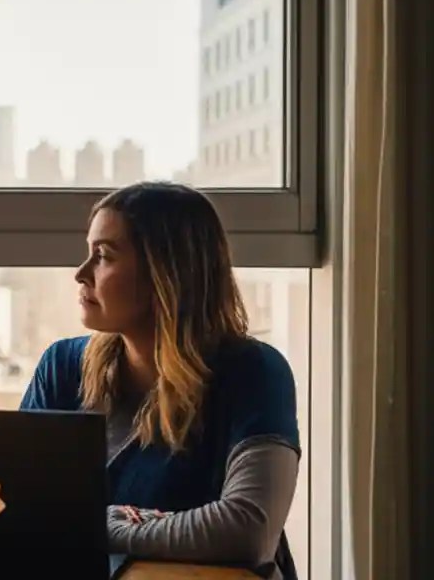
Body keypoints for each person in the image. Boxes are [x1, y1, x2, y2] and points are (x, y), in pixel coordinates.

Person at [20, 182, 300, 580]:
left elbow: (247, 530)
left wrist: (106, 526)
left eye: (103, 256)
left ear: (165, 273)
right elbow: (21, 511)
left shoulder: (253, 372)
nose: (81, 274)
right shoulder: (63, 367)